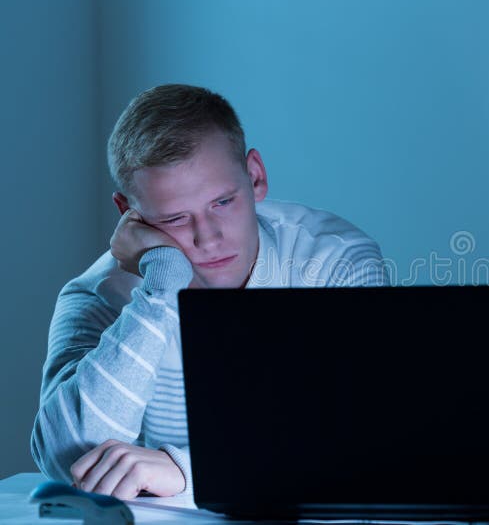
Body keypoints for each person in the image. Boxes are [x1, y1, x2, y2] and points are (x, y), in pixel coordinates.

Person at [31, 84, 386, 500]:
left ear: (255, 177)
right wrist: (160, 288)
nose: (208, 237)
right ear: (129, 216)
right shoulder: (98, 294)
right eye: (176, 218)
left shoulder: (335, 262)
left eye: (222, 202)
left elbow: (366, 439)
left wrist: (185, 469)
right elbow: (64, 458)